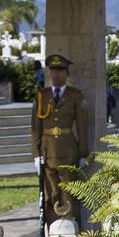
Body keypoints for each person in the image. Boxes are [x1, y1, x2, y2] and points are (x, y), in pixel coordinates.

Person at [31, 54, 91, 224]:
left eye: (60, 71)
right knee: (51, 194)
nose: (56, 74)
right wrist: (36, 155)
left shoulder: (75, 96)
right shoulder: (41, 96)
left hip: (68, 151)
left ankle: (72, 232)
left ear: (67, 74)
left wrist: (83, 154)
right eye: (53, 70)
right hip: (47, 152)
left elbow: (82, 127)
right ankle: (53, 234)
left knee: (70, 192)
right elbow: (36, 128)